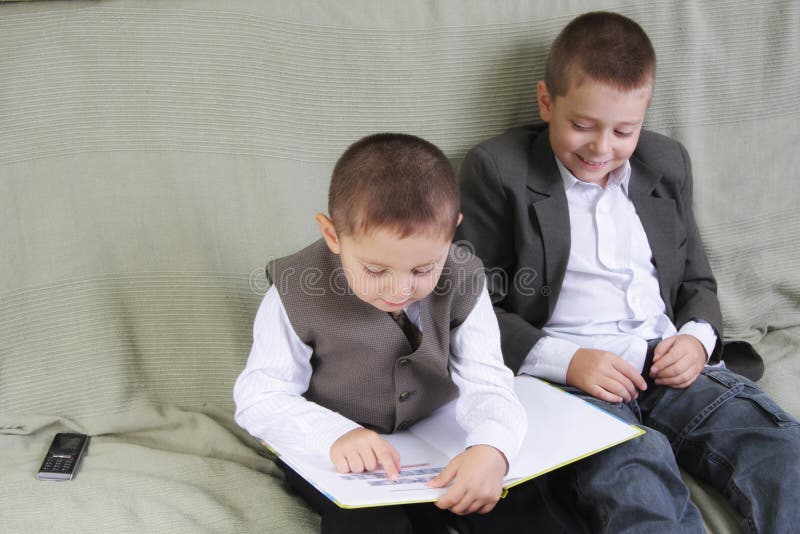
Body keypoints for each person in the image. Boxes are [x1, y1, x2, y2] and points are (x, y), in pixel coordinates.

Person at [456, 11, 800, 534]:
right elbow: (471, 305)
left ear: (644, 115)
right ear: (546, 101)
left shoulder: (667, 163)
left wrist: (697, 338)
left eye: (623, 130)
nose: (601, 148)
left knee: (780, 451)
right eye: (581, 125)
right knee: (634, 481)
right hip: (573, 382)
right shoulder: (499, 170)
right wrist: (568, 362)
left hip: (668, 364)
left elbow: (696, 282)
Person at [234, 133, 540, 533]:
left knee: (518, 504)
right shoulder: (294, 291)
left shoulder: (465, 279)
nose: (399, 290)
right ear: (333, 236)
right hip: (340, 453)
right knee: (370, 525)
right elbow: (260, 395)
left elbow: (488, 381)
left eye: (423, 270)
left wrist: (492, 446)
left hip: (435, 437)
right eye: (376, 271)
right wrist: (335, 435)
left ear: (452, 232)